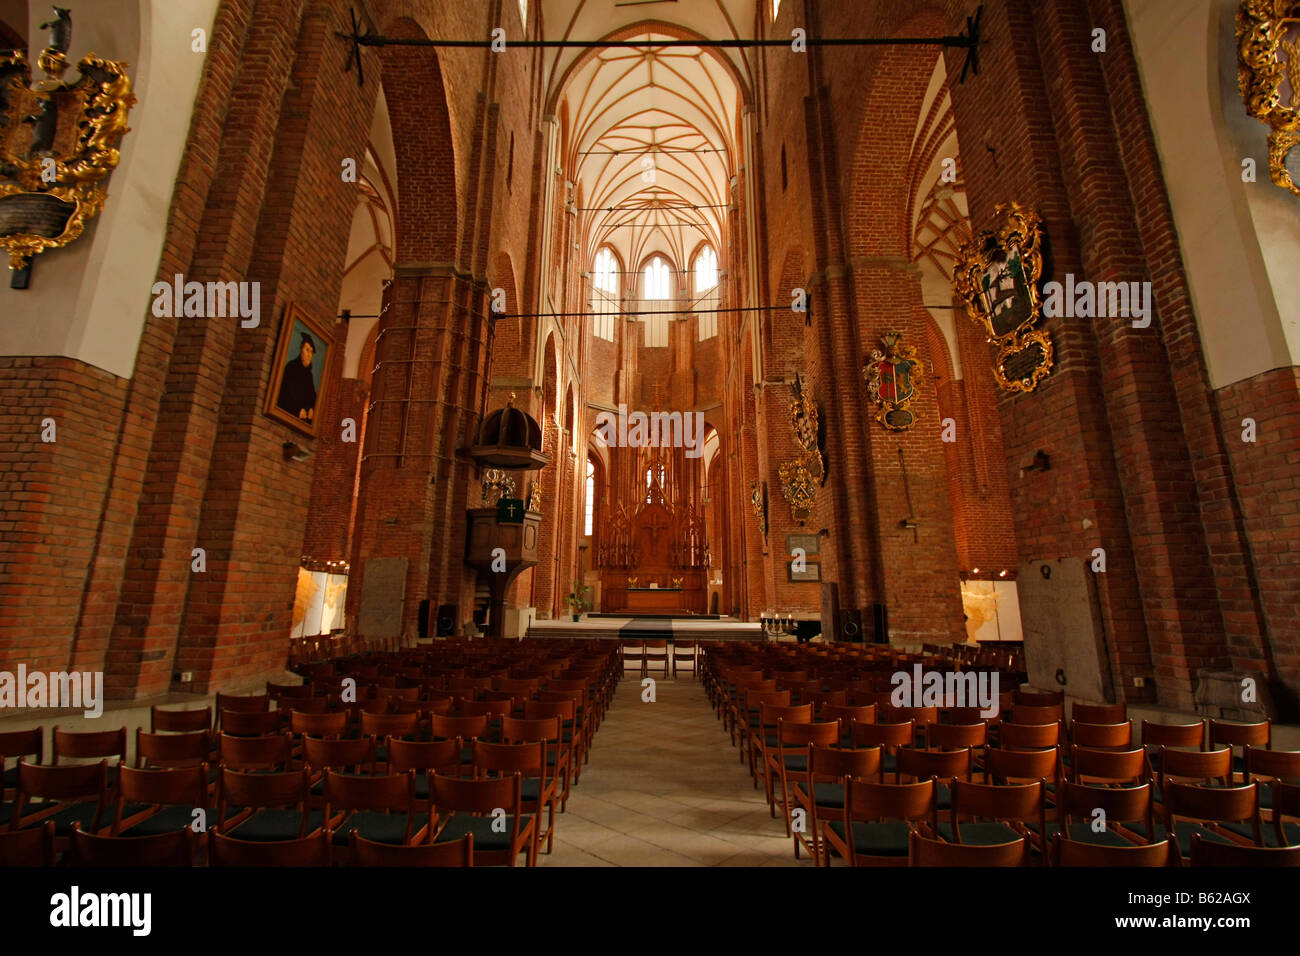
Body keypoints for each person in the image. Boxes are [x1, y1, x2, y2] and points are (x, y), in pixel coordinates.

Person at [276, 331, 318, 422]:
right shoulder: (291, 367)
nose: (309, 355)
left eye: (311, 352)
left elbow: (312, 397)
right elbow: (284, 394)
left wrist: (312, 409)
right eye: (307, 350)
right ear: (301, 349)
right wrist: (297, 410)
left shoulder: (309, 375)